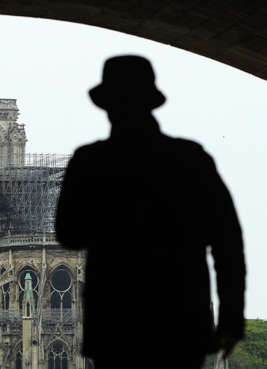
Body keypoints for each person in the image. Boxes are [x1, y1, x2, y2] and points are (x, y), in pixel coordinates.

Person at [55, 56, 246, 369]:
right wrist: (231, 319)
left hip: (117, 323)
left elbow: (69, 234)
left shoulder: (90, 161)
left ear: (107, 105)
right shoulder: (191, 159)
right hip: (181, 319)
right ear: (151, 102)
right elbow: (228, 244)